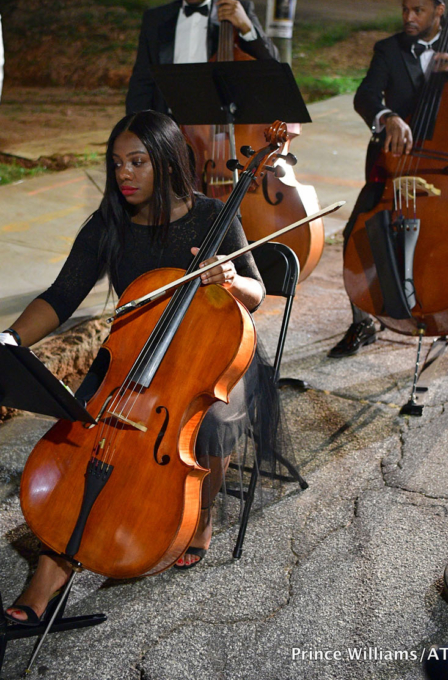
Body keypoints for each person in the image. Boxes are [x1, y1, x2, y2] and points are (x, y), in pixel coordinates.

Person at [1, 110, 271, 624]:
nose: (124, 174)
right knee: (78, 432)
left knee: (209, 421)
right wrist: (9, 340)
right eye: (117, 163)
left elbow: (258, 293)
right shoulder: (109, 223)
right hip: (131, 360)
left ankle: (202, 511)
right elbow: (60, 297)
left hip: (205, 357)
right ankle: (50, 570)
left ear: (167, 164)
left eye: (138, 162)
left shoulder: (214, 215)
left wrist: (230, 281)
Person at [328, 0, 448, 370]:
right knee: (354, 233)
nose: (409, 17)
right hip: (396, 172)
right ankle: (363, 322)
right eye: (405, 9)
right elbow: (365, 96)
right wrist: (387, 116)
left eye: (418, 10)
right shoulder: (389, 50)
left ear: (440, 12)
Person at [126, 0, 279, 115]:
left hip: (218, 125)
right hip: (168, 125)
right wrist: (138, 127)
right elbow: (141, 81)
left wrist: (246, 26)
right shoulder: (155, 19)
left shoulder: (238, 11)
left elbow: (272, 64)